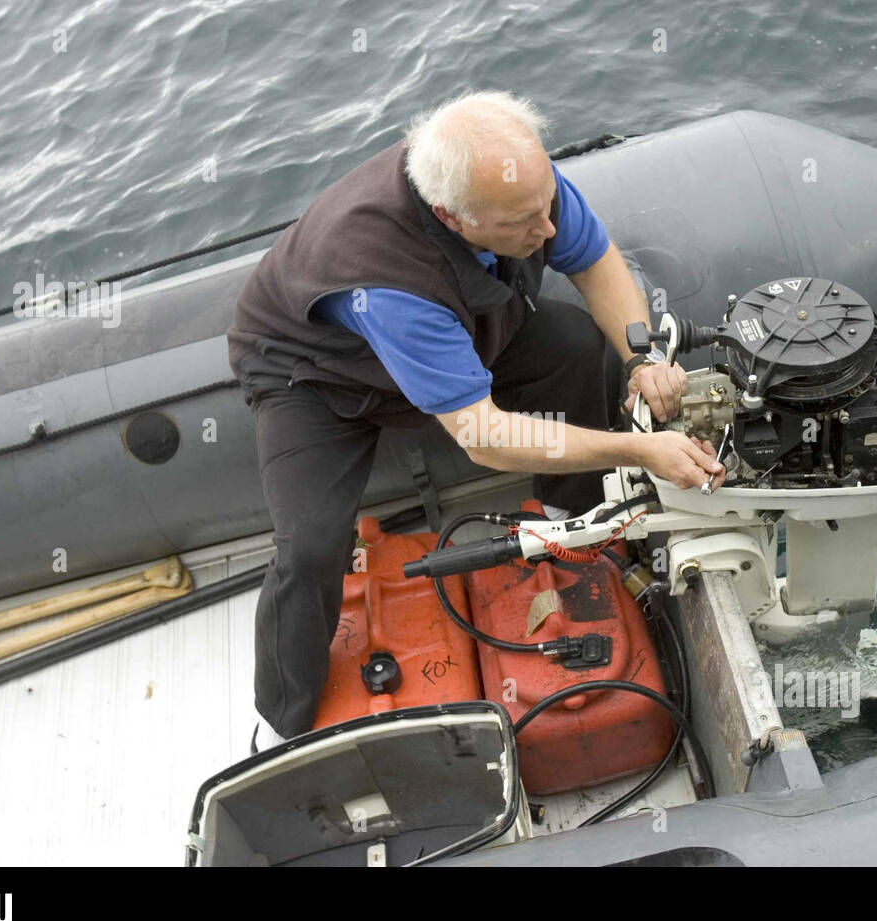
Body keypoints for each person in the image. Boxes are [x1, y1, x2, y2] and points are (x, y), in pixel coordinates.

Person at [225, 90, 725, 750]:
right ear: (453, 219)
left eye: (547, 207)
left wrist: (641, 356)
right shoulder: (390, 282)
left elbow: (594, 258)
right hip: (316, 378)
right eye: (525, 223)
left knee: (575, 344)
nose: (546, 230)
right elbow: (484, 437)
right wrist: (643, 452)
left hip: (453, 330)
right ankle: (287, 725)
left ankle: (568, 528)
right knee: (310, 546)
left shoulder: (521, 189)